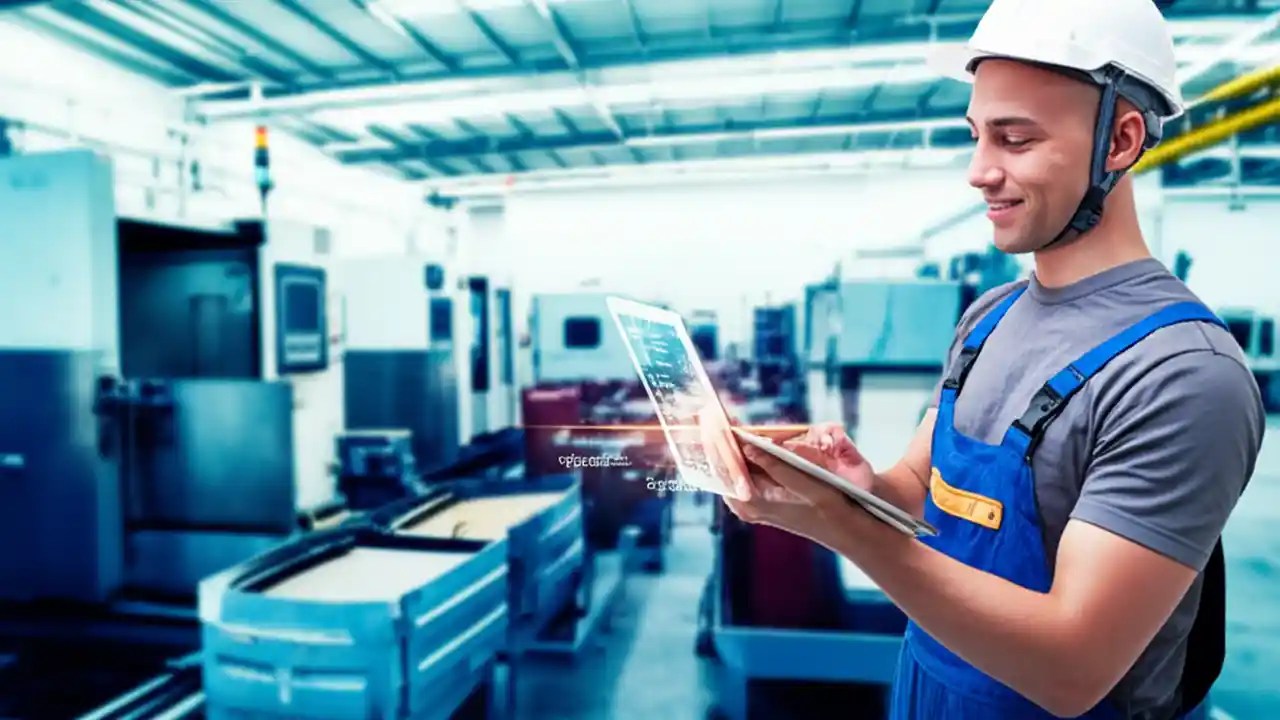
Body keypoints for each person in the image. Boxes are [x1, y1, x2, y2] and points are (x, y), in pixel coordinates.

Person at [705, 1, 1266, 718]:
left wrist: (842, 526)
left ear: (1121, 141)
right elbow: (920, 489)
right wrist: (853, 487)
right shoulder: (988, 318)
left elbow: (1071, 669)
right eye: (976, 136)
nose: (978, 171)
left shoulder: (1182, 374)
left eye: (1015, 139)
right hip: (927, 691)